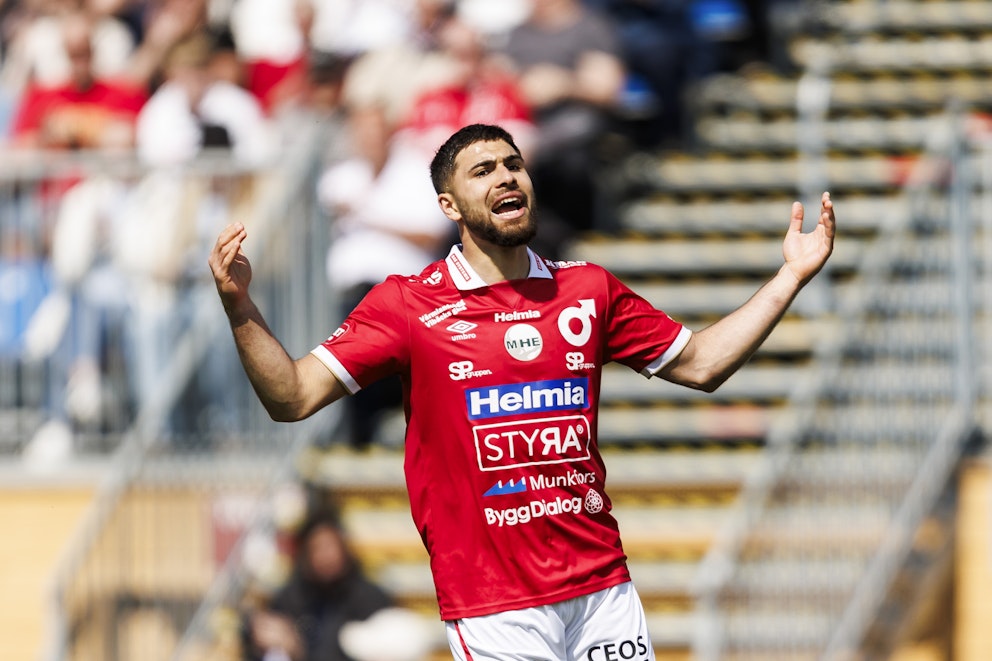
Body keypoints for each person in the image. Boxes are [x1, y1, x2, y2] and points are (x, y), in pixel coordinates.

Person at [210, 123, 836, 659]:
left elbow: (702, 364)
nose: (506, 177)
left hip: (602, 589)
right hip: (493, 602)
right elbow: (292, 397)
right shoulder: (407, 304)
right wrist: (240, 307)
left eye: (513, 164)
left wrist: (791, 275)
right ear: (450, 205)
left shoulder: (588, 290)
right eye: (483, 171)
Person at [242, 508, 398, 661]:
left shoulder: (371, 598)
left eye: (331, 546)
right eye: (317, 548)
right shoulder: (290, 598)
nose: (326, 556)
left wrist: (298, 650)